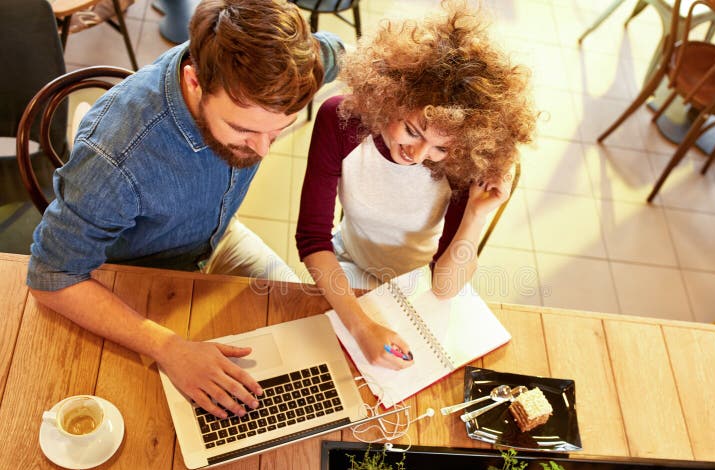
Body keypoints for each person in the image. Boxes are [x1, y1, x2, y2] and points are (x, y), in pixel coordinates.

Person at [26, 0, 344, 419]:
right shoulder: (116, 156)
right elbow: (51, 276)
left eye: (278, 129)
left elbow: (336, 49)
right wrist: (168, 347)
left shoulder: (296, 66)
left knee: (301, 330)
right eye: (243, 130)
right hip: (136, 274)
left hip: (217, 237)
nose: (262, 149)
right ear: (195, 82)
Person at [295, 1, 535, 370]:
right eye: (412, 130)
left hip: (417, 282)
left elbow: (444, 287)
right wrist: (362, 327)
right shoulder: (341, 122)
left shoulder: (461, 165)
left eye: (441, 147)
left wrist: (474, 215)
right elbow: (312, 238)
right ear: (388, 99)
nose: (418, 154)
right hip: (348, 264)